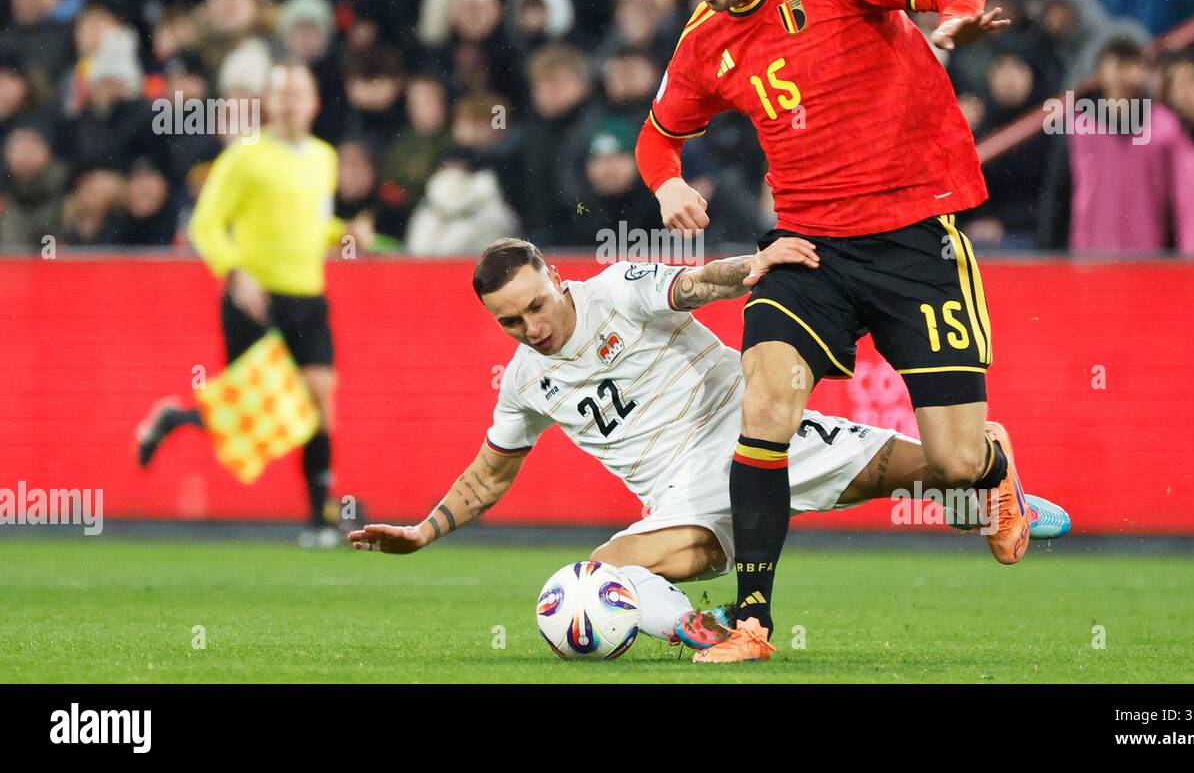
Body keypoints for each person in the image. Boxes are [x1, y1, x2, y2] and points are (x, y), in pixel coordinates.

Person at [634, 0, 1025, 662]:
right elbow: (656, 136)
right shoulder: (704, 44)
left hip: (915, 238)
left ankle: (994, 467)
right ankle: (753, 621)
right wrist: (667, 182)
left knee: (951, 458)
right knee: (766, 408)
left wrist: (959, 19)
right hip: (806, 248)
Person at [348, 238, 1070, 658]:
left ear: (556, 279)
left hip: (740, 424)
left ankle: (985, 475)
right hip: (678, 497)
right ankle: (707, 628)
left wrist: (753, 264)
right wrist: (422, 531)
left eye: (536, 305)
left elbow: (693, 283)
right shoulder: (526, 383)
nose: (532, 326)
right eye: (512, 321)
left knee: (917, 470)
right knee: (604, 573)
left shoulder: (618, 291)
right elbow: (487, 477)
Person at [134, 63, 373, 546]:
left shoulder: (324, 158)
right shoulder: (245, 157)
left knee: (319, 401)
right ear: (269, 102)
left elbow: (310, 223)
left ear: (314, 102)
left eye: (299, 93)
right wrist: (235, 273)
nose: (291, 102)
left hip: (307, 294)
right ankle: (174, 419)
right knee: (253, 414)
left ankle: (318, 523)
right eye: (282, 94)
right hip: (254, 298)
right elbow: (204, 225)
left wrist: (345, 233)